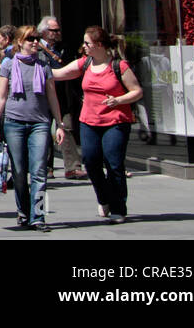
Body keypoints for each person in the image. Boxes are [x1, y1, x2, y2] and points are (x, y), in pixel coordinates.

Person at [51, 26, 143, 223]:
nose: (83, 46)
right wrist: (34, 67)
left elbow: (137, 91)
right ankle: (104, 198)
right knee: (91, 162)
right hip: (89, 121)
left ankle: (119, 208)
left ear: (99, 45)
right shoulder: (86, 63)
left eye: (87, 43)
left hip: (116, 121)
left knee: (113, 164)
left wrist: (118, 100)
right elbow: (59, 74)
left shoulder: (119, 66)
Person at [0, 26, 67, 231]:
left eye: (36, 38)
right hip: (14, 123)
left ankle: (38, 216)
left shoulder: (43, 64)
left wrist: (59, 124)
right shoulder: (8, 64)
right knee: (19, 171)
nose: (35, 42)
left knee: (39, 171)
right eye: (30, 39)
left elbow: (52, 96)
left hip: (40, 123)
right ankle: (23, 212)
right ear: (19, 42)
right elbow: (1, 96)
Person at [37, 16, 86, 179]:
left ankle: (72, 167)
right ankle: (47, 167)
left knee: (66, 127)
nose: (57, 33)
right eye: (53, 30)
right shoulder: (36, 49)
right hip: (42, 96)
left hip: (62, 96)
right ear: (44, 32)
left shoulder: (64, 48)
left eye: (58, 30)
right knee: (43, 130)